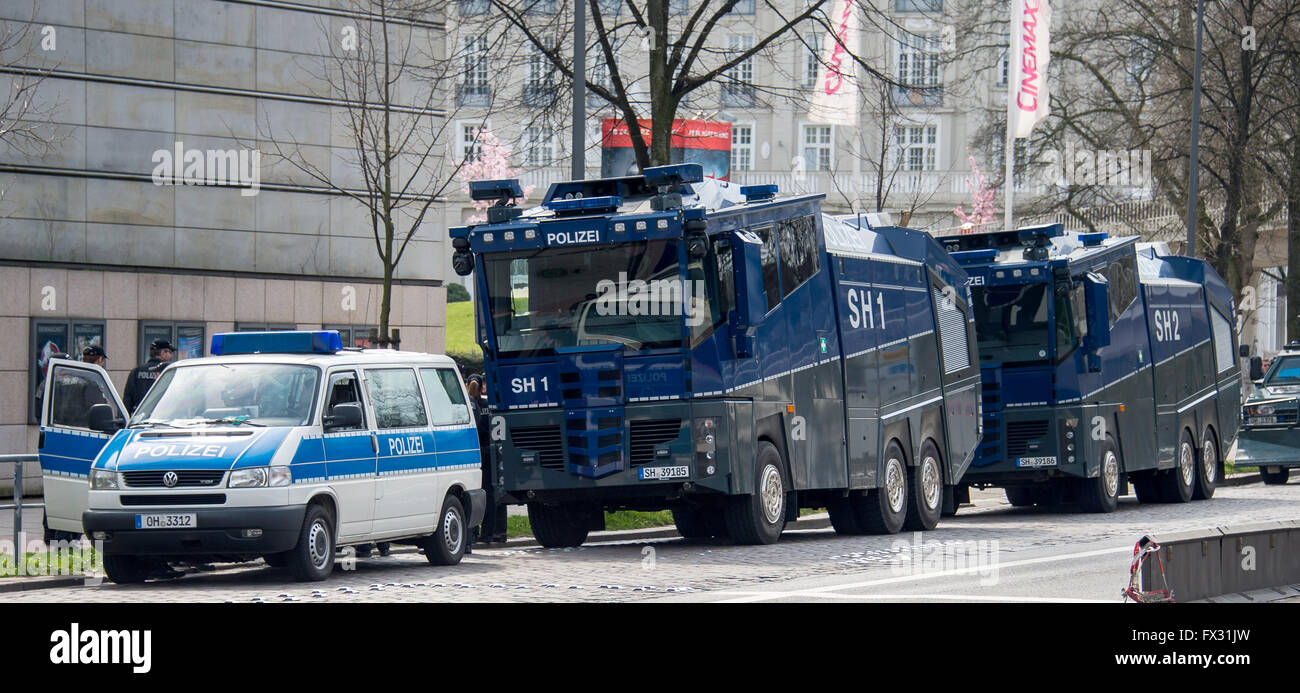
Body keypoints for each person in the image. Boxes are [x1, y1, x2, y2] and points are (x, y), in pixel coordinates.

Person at [468, 374, 507, 544]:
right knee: (490, 494)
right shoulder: (489, 405)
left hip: (474, 453)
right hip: (490, 452)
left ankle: (472, 532)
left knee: (472, 494)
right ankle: (489, 532)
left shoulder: (467, 404)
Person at [123, 338, 174, 413]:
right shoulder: (168, 371)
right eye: (170, 352)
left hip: (140, 415)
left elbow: (128, 398)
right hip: (161, 414)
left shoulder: (137, 371)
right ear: (163, 353)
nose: (171, 356)